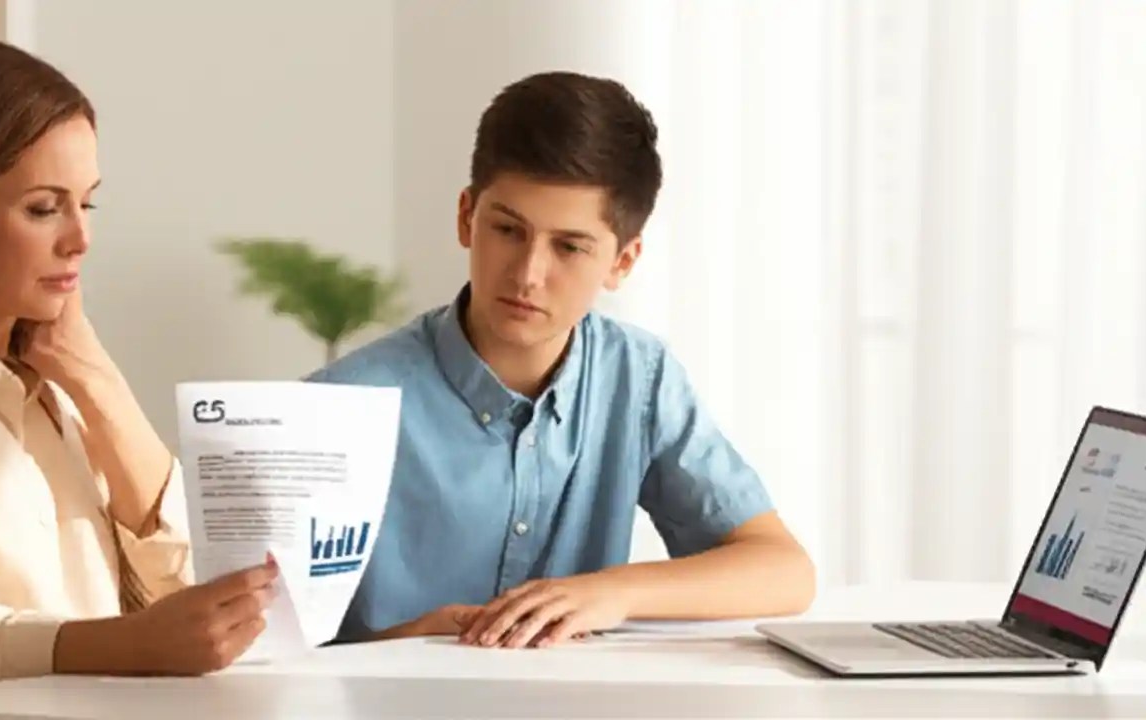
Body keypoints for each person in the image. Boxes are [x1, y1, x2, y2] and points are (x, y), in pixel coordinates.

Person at [308, 71, 817, 649]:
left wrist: (609, 593)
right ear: (465, 218)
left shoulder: (639, 380)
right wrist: (404, 642)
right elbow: (256, 651)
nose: (527, 274)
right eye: (507, 230)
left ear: (622, 262)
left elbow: (784, 570)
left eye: (570, 247)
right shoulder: (336, 407)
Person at [0, 42, 276, 694]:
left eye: (86, 203)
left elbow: (200, 589)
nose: (80, 239)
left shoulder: (57, 398)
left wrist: (95, 380)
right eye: (42, 207)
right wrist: (124, 643)